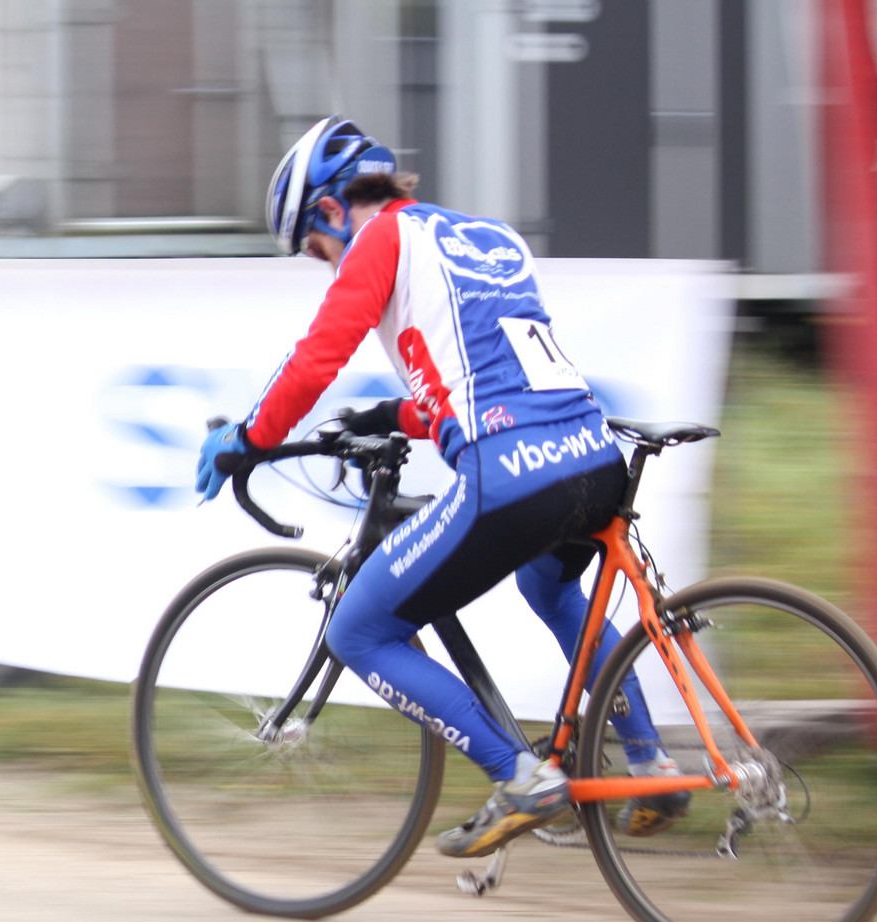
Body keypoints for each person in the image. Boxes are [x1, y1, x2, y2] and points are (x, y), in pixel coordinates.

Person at [195, 116, 689, 857]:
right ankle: (653, 764)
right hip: (591, 456)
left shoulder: (381, 240)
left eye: (315, 247)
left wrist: (248, 440)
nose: (327, 263)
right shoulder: (484, 237)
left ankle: (521, 777)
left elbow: (316, 358)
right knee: (550, 590)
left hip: (513, 476)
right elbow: (495, 373)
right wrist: (393, 414)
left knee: (359, 629)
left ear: (332, 208)